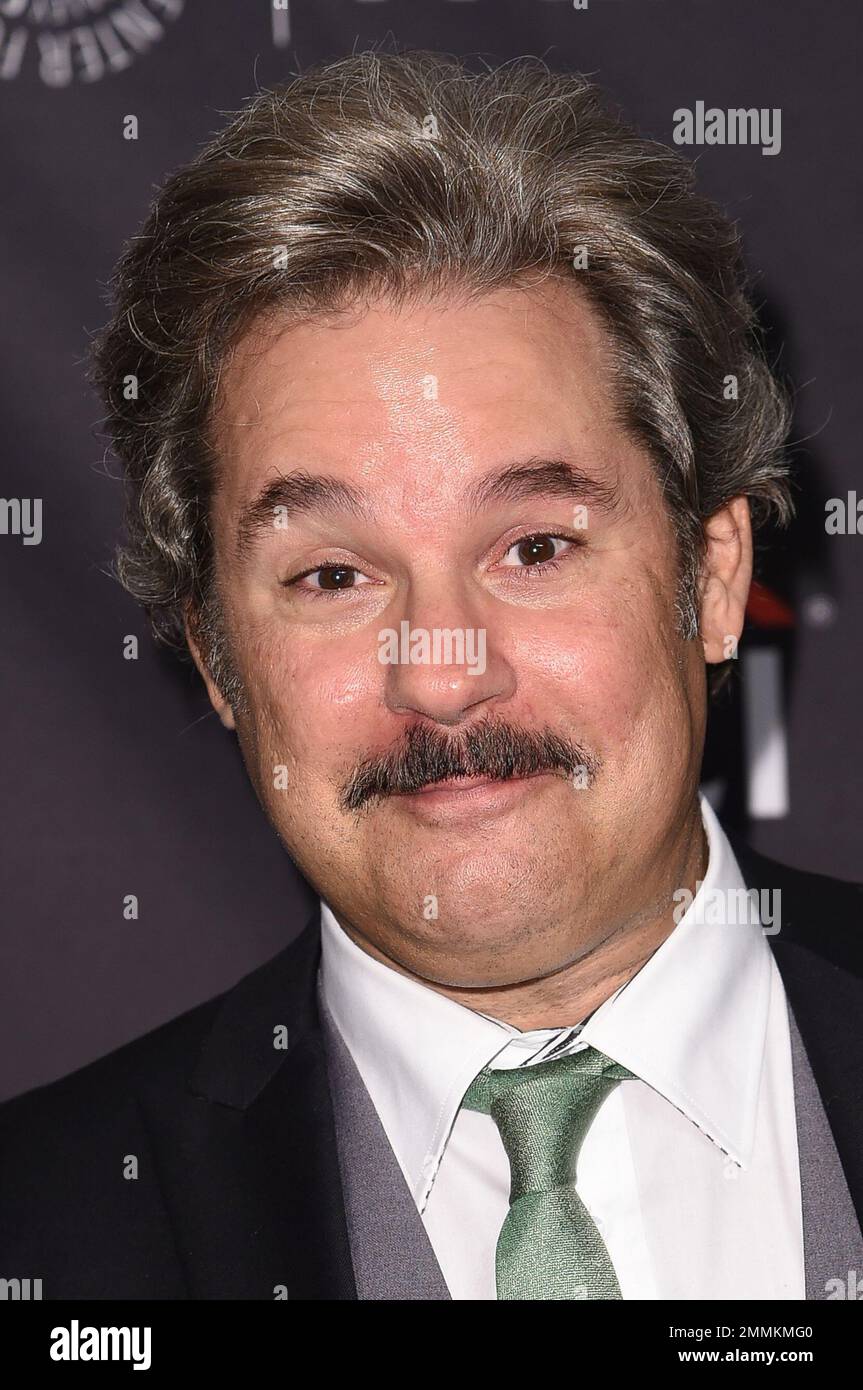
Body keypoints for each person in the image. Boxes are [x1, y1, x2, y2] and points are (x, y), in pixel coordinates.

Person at [1, 49, 861, 1301]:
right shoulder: (39, 1236)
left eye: (534, 547)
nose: (443, 681)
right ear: (215, 654)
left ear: (712, 576)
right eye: (332, 577)